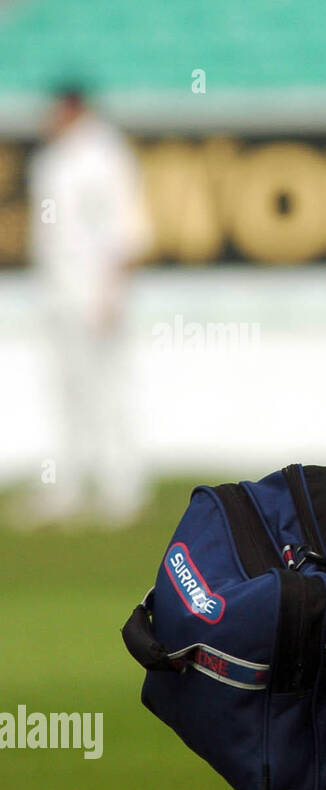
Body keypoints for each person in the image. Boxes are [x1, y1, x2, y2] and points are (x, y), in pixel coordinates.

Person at [18, 85, 152, 527]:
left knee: (108, 389)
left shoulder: (105, 154)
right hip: (58, 292)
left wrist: (111, 292)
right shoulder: (54, 158)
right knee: (66, 390)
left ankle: (122, 488)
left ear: (72, 108)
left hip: (96, 292)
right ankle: (67, 488)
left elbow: (126, 227)